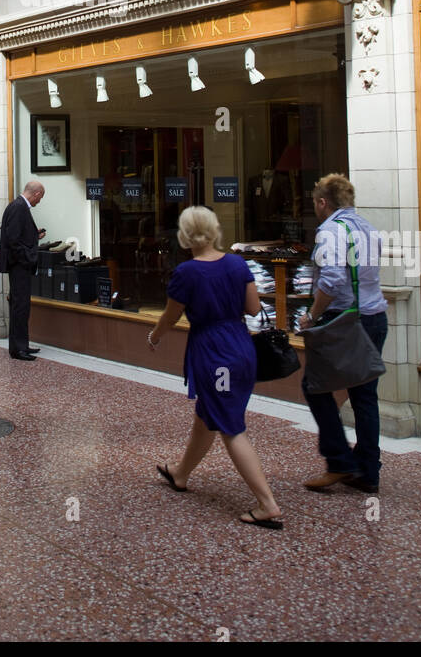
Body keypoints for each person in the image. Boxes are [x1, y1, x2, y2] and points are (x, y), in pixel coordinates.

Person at [149, 205, 283, 529]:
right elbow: (253, 308)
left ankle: (267, 504)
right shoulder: (237, 264)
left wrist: (154, 336)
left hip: (214, 354)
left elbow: (171, 316)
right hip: (241, 346)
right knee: (207, 416)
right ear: (214, 229)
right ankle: (180, 474)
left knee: (230, 426)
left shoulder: (187, 273)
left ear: (184, 236)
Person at [299, 173, 388, 495]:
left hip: (346, 322)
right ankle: (367, 471)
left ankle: (339, 461)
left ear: (323, 203)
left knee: (315, 387)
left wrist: (311, 315)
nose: (315, 209)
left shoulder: (331, 231)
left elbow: (333, 280)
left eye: (315, 203)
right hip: (375, 317)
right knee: (365, 396)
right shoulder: (367, 228)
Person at [0, 180, 45, 360]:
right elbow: (14, 240)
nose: (39, 202)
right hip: (19, 266)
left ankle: (21, 345)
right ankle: (18, 349)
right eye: (40, 198)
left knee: (21, 306)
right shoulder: (19, 208)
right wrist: (28, 258)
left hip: (18, 264)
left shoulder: (16, 206)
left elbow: (17, 235)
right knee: (20, 306)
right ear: (37, 194)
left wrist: (34, 234)